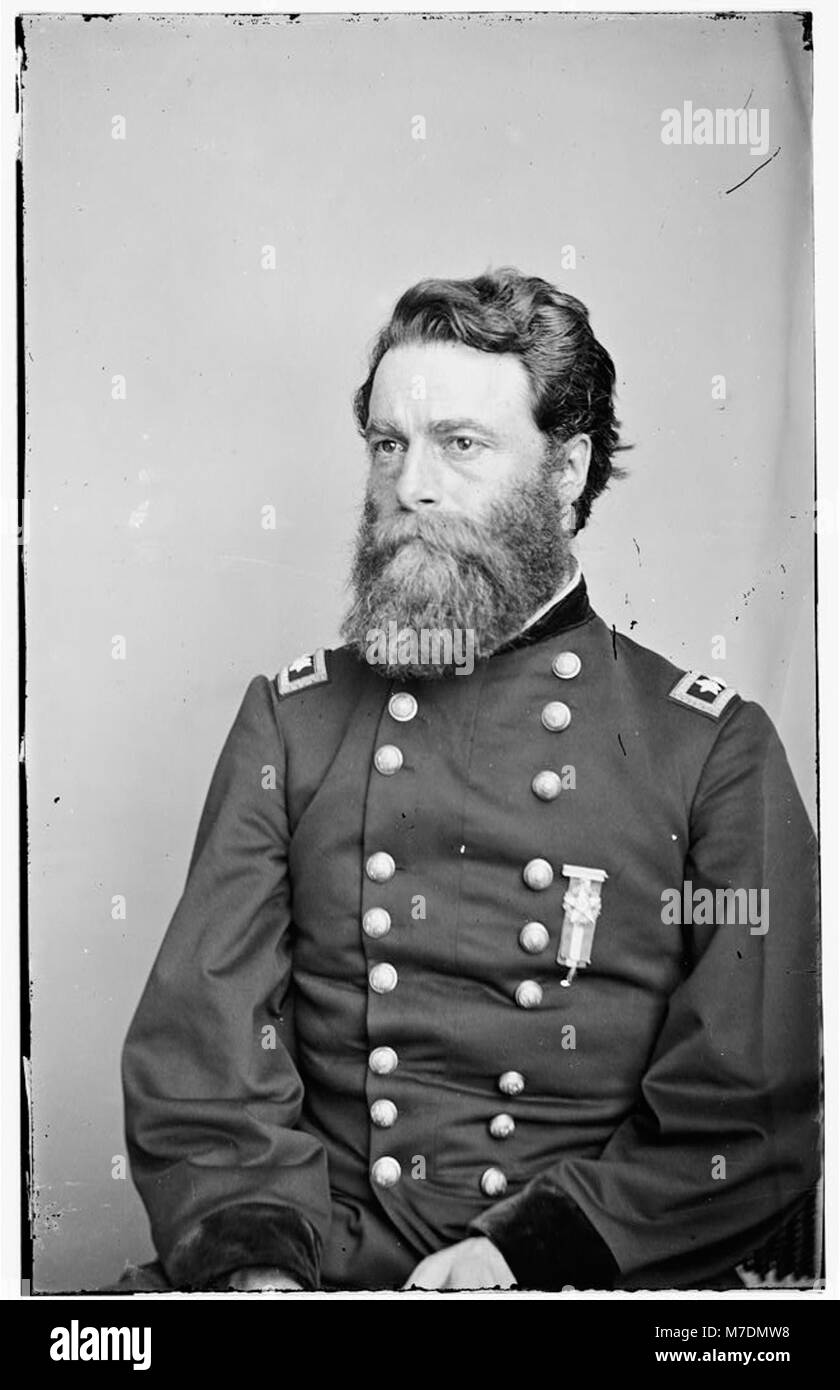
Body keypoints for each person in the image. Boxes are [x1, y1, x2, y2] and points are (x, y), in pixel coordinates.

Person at [121, 268, 821, 1293]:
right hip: (323, 1267)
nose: (412, 485)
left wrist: (530, 1253)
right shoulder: (292, 719)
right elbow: (203, 1059)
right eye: (389, 445)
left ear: (568, 470)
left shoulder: (713, 749)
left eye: (461, 444)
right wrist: (254, 1260)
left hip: (585, 1273)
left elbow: (751, 1100)